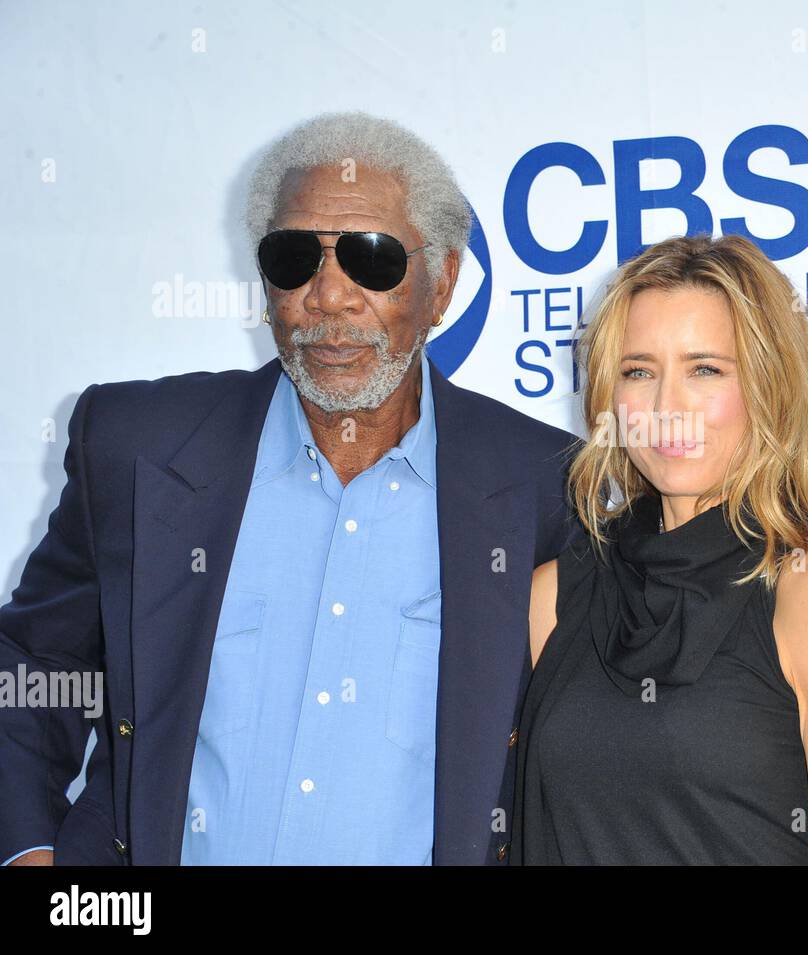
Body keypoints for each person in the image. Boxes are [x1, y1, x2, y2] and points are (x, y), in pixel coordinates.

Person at [0, 111, 578, 866]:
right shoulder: (138, 445)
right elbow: (34, 665)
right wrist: (28, 856)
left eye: (372, 260)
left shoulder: (544, 484)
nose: (329, 296)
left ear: (442, 284)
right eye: (294, 256)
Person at [513, 234, 808, 865]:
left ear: (768, 388)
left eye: (706, 370)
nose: (668, 407)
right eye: (639, 371)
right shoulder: (553, 597)